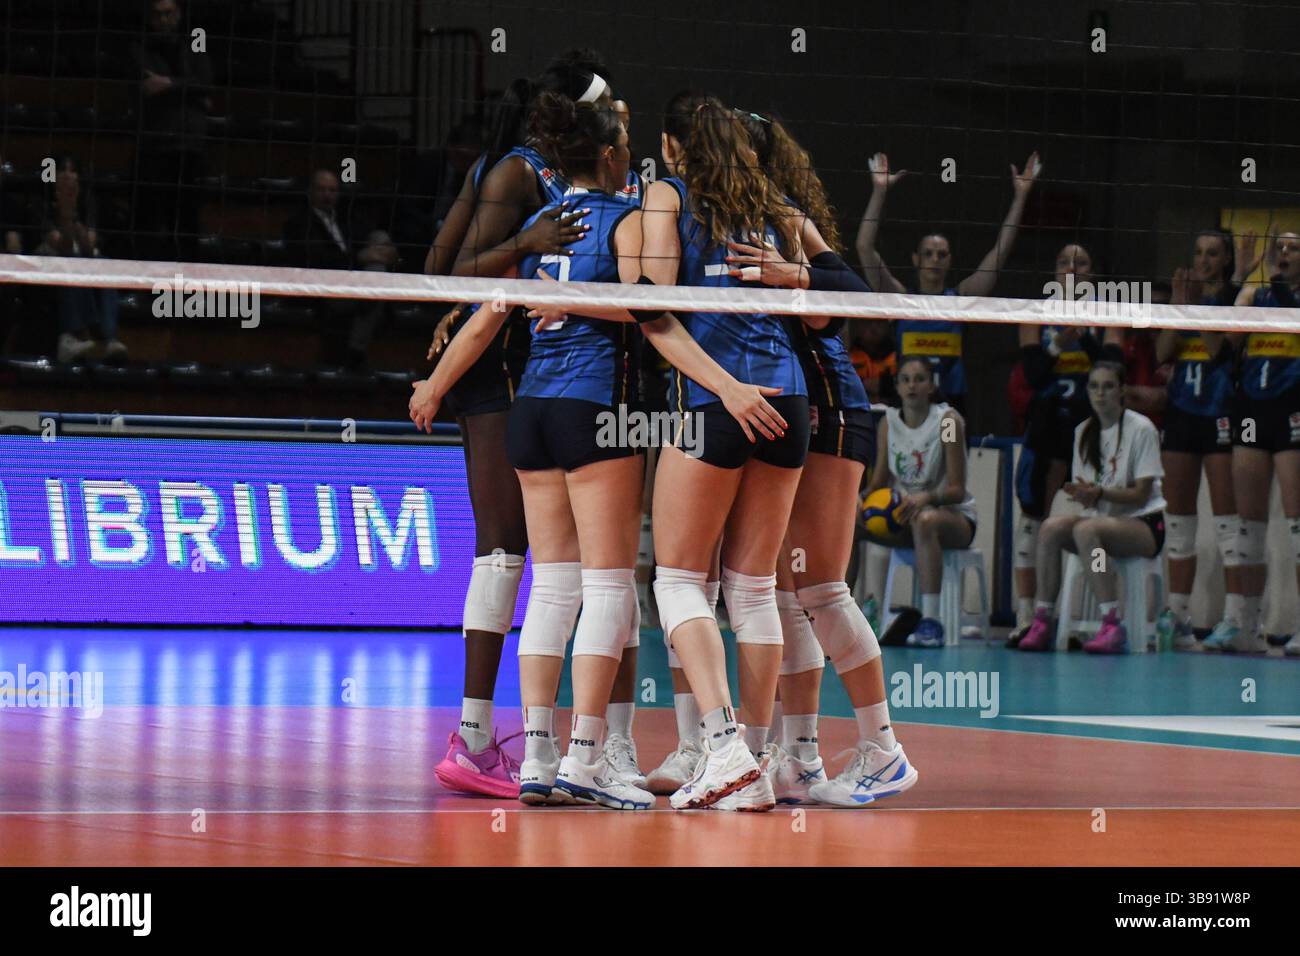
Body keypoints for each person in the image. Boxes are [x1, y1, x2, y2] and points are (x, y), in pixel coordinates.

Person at [411, 94, 784, 807]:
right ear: (614, 157)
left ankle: (536, 758)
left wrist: (437, 382)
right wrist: (587, 296)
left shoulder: (540, 228)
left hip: (531, 413)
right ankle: (590, 758)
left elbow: (490, 312)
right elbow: (649, 311)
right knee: (610, 587)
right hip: (596, 412)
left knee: (552, 589)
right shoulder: (626, 219)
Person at [414, 55, 632, 801]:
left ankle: (552, 740)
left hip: (523, 367)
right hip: (509, 366)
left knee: (548, 562)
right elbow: (443, 272)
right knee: (517, 556)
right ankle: (481, 738)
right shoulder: (516, 175)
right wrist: (525, 246)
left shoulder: (548, 175)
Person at [707, 110, 915, 808]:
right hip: (798, 415)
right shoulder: (722, 219)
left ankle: (884, 749)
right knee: (790, 593)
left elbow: (863, 303)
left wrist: (792, 274)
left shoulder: (785, 219)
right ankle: (799, 756)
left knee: (821, 590)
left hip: (833, 412)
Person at [632, 91, 812, 810]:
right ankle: (758, 763)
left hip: (717, 401)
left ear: (674, 146)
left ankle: (724, 745)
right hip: (790, 402)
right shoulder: (773, 204)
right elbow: (824, 297)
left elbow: (651, 313)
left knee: (675, 581)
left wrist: (728, 388)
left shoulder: (664, 196)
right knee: (754, 589)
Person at [854, 150, 1040, 415]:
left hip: (952, 403)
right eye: (928, 253)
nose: (935, 259)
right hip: (908, 402)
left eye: (941, 254)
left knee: (952, 455)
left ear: (950, 260)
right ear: (916, 259)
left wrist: (1021, 196)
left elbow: (999, 254)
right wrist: (879, 191)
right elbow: (864, 247)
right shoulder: (902, 300)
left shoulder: (959, 299)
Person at [1008, 244, 1124, 643]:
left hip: (1091, 435)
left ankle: (1084, 622)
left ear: (1093, 274)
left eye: (1082, 262)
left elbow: (1112, 367)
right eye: (1063, 262)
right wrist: (1059, 343)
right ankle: (1029, 618)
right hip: (1045, 432)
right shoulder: (1036, 312)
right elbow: (1034, 375)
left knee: (1089, 524)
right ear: (1053, 272)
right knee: (1033, 525)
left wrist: (1084, 337)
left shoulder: (1108, 313)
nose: (1072, 269)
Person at [1017, 361, 1167, 653]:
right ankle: (1043, 617)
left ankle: (1111, 621)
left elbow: (1141, 494)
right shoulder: (1083, 432)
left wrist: (1099, 493)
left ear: (1122, 391)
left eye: (1109, 386)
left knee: (1087, 531)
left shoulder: (1142, 429)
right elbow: (1090, 493)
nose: (1101, 394)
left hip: (1145, 524)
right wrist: (1085, 495)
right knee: (1049, 528)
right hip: (1102, 523)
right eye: (1095, 387)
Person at [1210, 232, 1300, 655]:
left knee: (1298, 526)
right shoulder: (1257, 297)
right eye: (1279, 248)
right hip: (1251, 411)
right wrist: (1240, 281)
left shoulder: (1287, 297)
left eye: (1293, 248)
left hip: (1293, 411)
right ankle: (1243, 623)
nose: (1284, 254)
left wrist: (1272, 281)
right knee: (1248, 525)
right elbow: (1221, 349)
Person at [1154, 230, 1241, 651]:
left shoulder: (1235, 298)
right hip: (1182, 415)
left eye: (1212, 254)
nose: (1203, 261)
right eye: (1198, 252)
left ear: (1226, 261)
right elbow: (1161, 352)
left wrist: (1197, 304)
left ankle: (1235, 619)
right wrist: (1176, 305)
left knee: (1228, 525)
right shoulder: (1184, 297)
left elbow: (1214, 349)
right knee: (1179, 523)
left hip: (1220, 414)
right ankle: (1177, 615)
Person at [861, 356, 977, 648]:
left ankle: (931, 622)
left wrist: (926, 498)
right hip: (905, 516)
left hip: (952, 518)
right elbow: (879, 483)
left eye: (920, 379)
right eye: (905, 379)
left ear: (932, 386)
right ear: (897, 387)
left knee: (924, 520)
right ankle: (841, 612)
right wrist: (857, 499)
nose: (912, 385)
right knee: (851, 521)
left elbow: (957, 489)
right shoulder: (887, 423)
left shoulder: (948, 422)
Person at [131, 0, 212, 259]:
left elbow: (207, 82)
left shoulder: (195, 41)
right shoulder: (138, 46)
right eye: (157, 15)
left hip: (190, 147)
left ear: (178, 15)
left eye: (168, 14)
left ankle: (187, 283)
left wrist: (169, 83)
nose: (163, 20)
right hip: (156, 146)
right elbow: (146, 86)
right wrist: (190, 90)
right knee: (152, 218)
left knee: (188, 219)